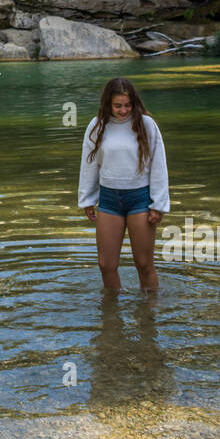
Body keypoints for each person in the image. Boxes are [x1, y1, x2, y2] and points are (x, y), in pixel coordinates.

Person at [77, 77, 169, 293]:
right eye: (117, 106)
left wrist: (159, 204)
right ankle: (111, 316)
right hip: (109, 200)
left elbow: (159, 165)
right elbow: (89, 163)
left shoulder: (147, 125)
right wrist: (87, 199)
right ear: (108, 104)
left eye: (127, 105)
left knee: (144, 264)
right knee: (106, 265)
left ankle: (150, 316)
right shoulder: (97, 125)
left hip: (140, 200)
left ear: (134, 103)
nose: (123, 111)